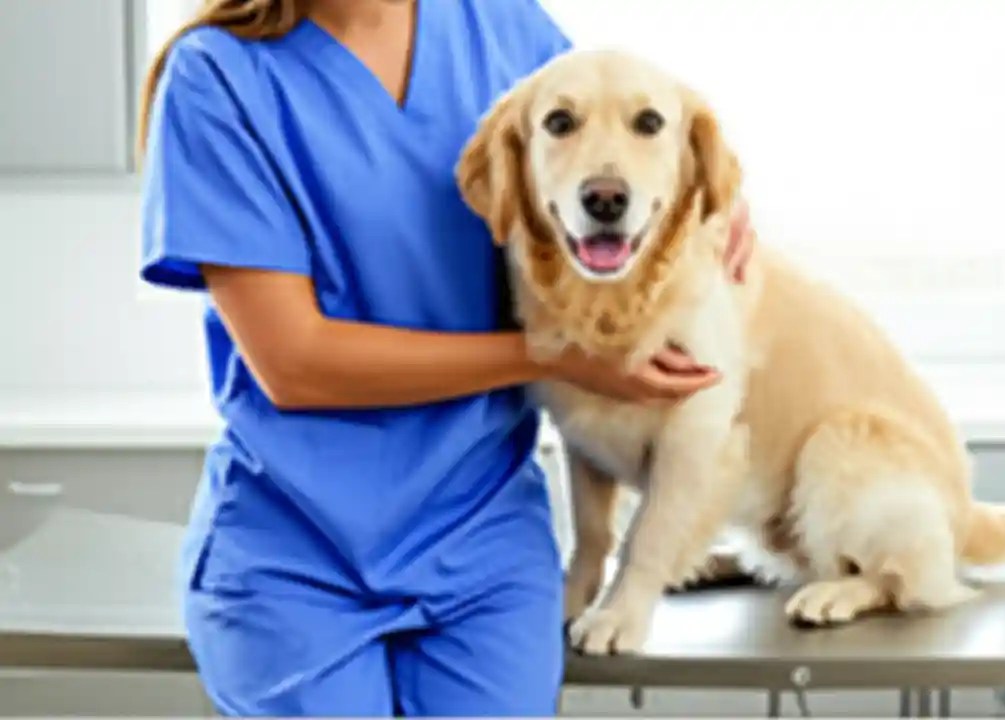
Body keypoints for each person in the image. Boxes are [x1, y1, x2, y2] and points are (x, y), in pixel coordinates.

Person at [135, 0, 753, 715]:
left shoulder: (503, 28)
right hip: (298, 549)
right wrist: (549, 356)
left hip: (482, 542)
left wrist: (713, 199)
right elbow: (294, 363)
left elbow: (616, 151)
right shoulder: (218, 78)